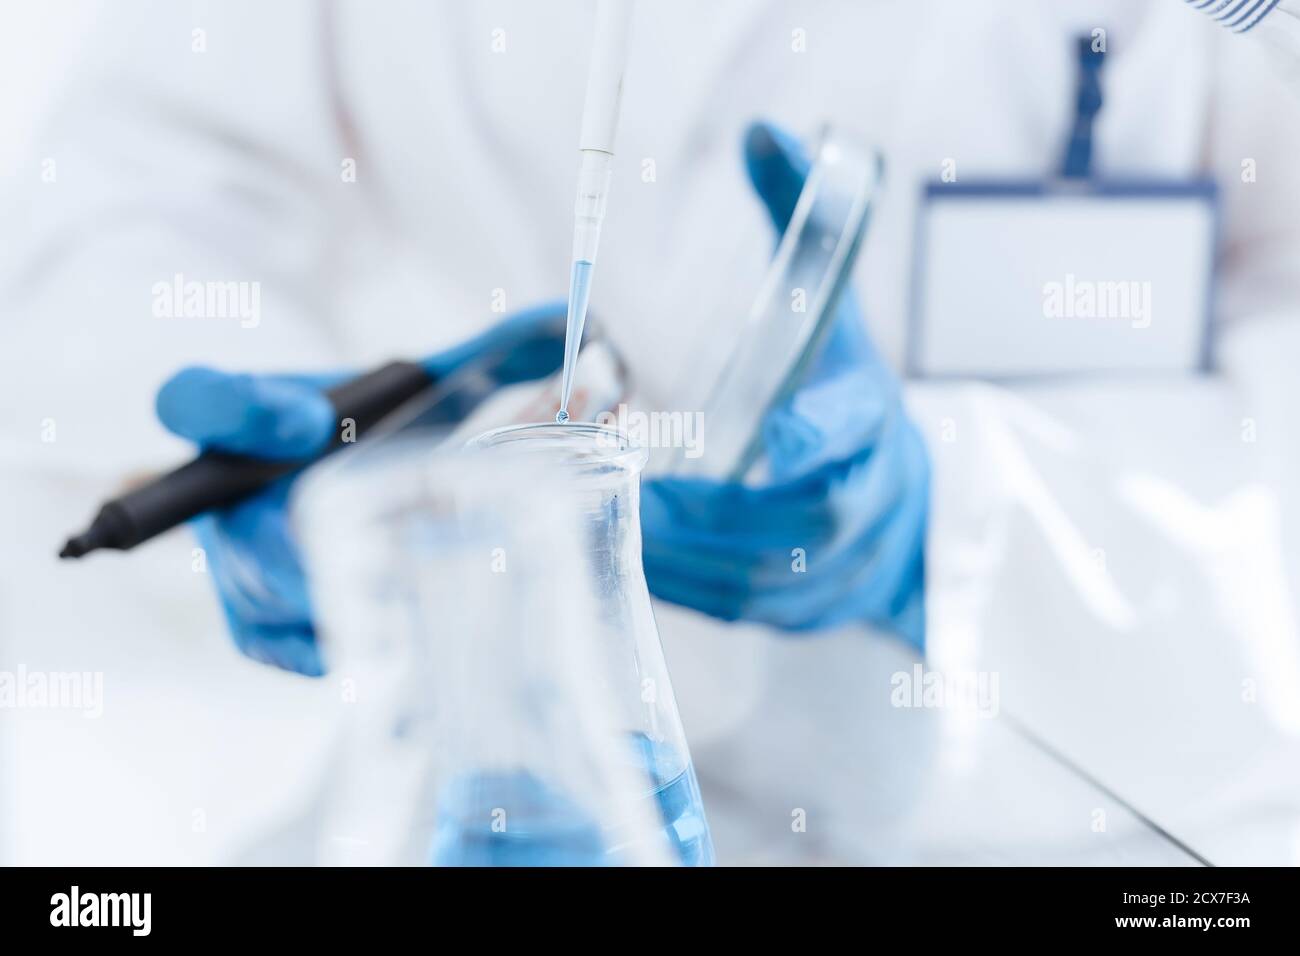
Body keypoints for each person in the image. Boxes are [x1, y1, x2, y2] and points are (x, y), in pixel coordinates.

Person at [5, 0, 1300, 863]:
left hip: (1076, 804)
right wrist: (262, 450)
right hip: (498, 765)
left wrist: (949, 518)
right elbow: (141, 178)